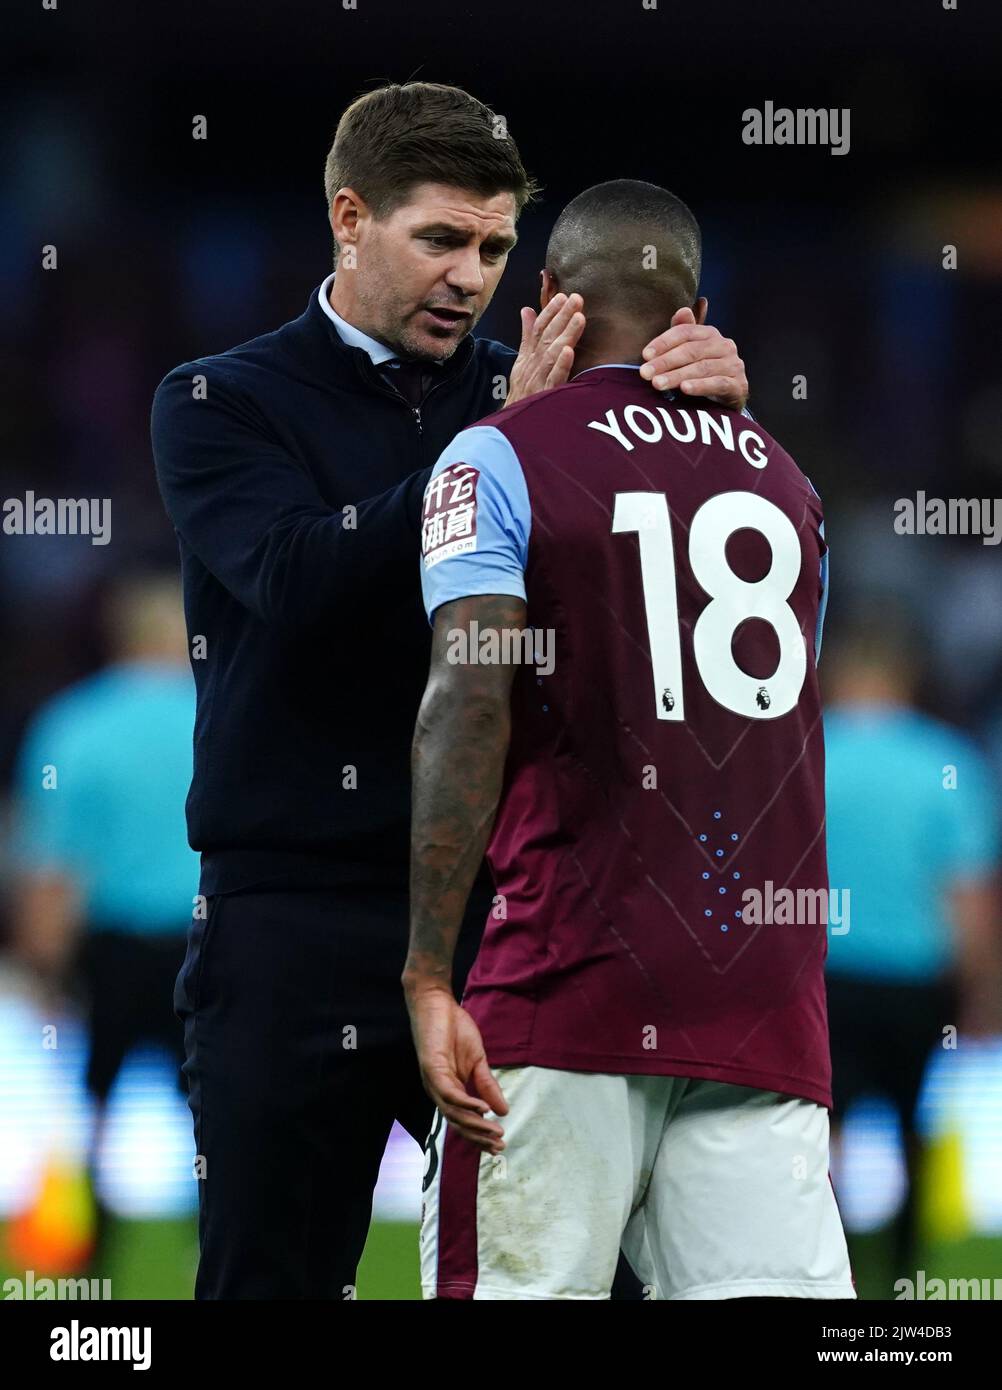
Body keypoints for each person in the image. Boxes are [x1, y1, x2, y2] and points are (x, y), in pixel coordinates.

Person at [151, 81, 750, 1300]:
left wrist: (706, 427)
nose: (470, 276)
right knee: (267, 1279)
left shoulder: (536, 396)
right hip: (289, 917)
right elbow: (299, 579)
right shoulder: (220, 400)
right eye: (439, 239)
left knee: (558, 1279)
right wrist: (502, 439)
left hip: (509, 912)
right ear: (350, 218)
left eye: (491, 247)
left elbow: (671, 592)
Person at [404, 178, 854, 1301]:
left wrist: (424, 969)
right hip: (764, 1003)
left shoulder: (496, 455)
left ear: (547, 296)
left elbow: (467, 702)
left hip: (569, 979)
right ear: (695, 320)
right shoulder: (788, 483)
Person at [11, 574, 198, 1274]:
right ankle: (223, 1243)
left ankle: (86, 1257)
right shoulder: (220, 712)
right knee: (219, 1107)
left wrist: (43, 970)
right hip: (209, 948)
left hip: (110, 950)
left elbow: (52, 867)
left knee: (94, 1104)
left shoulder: (74, 724)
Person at [823, 616, 1001, 1284]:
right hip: (917, 981)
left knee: (820, 1128)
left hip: (824, 976)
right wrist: (982, 994)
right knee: (913, 1125)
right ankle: (906, 1272)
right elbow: (968, 894)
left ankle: (829, 1261)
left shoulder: (809, 751)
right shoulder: (945, 762)